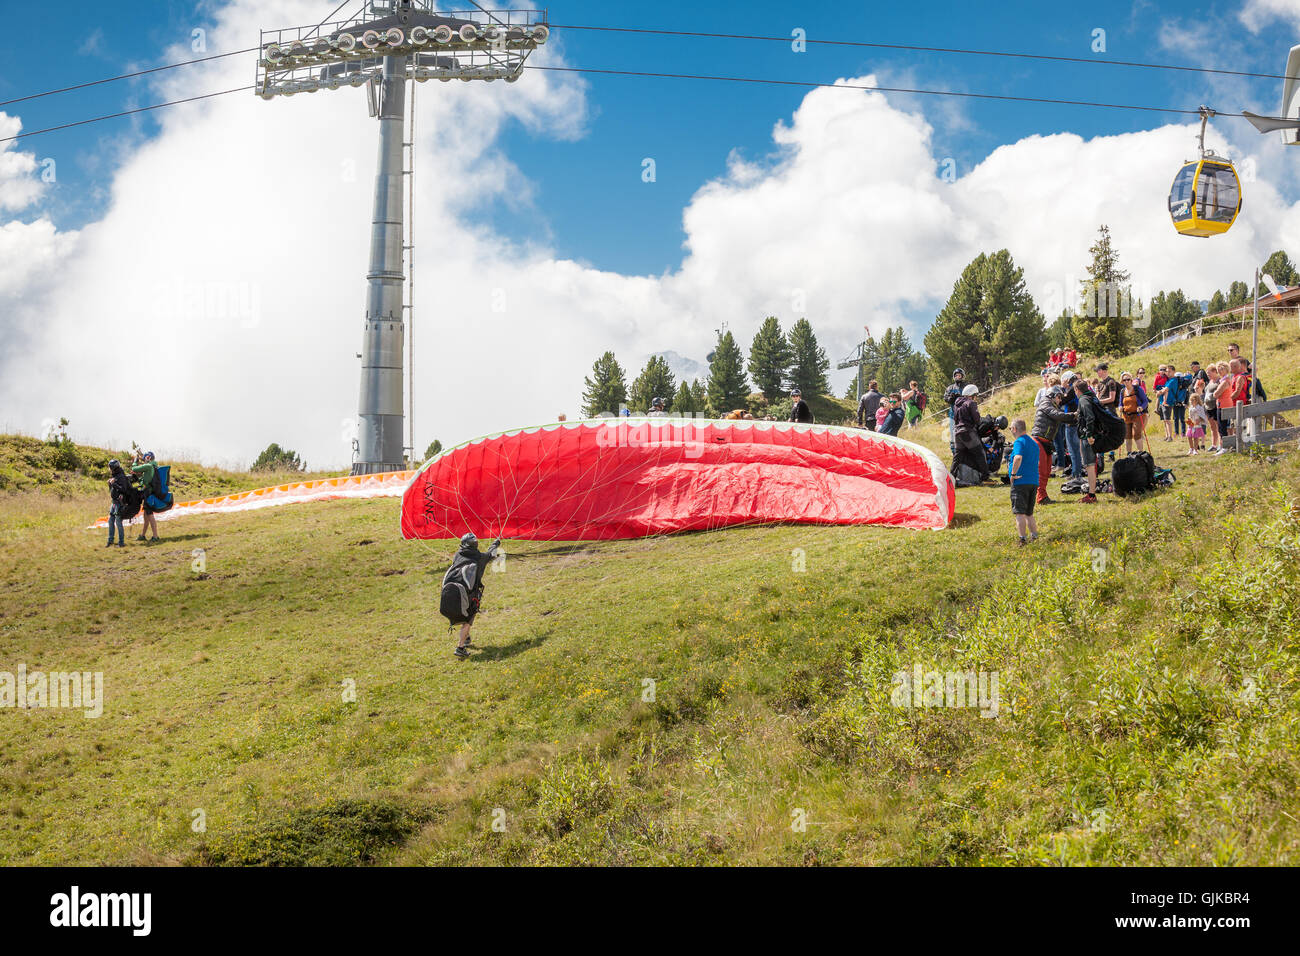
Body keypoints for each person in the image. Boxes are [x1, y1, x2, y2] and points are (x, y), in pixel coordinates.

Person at [442, 532, 502, 659]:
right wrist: (496, 543)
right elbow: (491, 554)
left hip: (450, 592)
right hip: (469, 594)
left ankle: (467, 638)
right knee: (468, 619)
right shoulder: (479, 558)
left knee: (462, 616)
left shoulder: (458, 555)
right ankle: (460, 647)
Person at [1030, 386, 1076, 505]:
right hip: (1038, 440)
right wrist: (1075, 415)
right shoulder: (1045, 403)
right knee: (1042, 471)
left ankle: (1043, 496)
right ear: (1052, 395)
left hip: (1046, 441)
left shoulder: (1054, 405)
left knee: (1046, 471)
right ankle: (1040, 497)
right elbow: (1058, 415)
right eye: (1059, 397)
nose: (1060, 400)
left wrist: (1075, 418)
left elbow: (1063, 417)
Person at [1007, 419, 1039, 546]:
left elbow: (1018, 457)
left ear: (1015, 429)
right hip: (1033, 481)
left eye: (1010, 428)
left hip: (1020, 481)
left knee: (1019, 513)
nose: (1010, 431)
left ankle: (1022, 539)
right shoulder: (1033, 443)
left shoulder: (1019, 442)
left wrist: (1013, 474)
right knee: (1029, 513)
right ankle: (1034, 536)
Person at [1071, 380, 1104, 504]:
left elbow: (1090, 417)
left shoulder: (1083, 400)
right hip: (1096, 434)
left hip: (1088, 437)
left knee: (1089, 466)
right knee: (1092, 465)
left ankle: (1091, 495)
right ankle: (1092, 492)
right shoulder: (1092, 397)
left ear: (1077, 390)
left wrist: (1089, 434)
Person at [951, 384, 987, 481]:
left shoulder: (956, 404)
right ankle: (985, 478)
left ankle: (951, 477)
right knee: (980, 453)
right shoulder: (971, 403)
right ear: (971, 395)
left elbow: (955, 419)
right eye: (975, 395)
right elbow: (977, 420)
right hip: (967, 432)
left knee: (957, 457)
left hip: (957, 432)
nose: (976, 397)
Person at [106, 459, 138, 548]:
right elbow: (113, 489)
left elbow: (123, 489)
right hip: (114, 502)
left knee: (118, 521)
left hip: (119, 503)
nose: (109, 468)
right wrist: (110, 484)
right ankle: (110, 540)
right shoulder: (116, 475)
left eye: (110, 467)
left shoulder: (120, 476)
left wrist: (113, 484)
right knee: (110, 521)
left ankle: (121, 542)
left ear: (113, 468)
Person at [130, 451, 161, 542]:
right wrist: (138, 478)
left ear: (148, 457)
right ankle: (143, 535)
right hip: (149, 492)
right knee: (146, 515)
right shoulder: (153, 466)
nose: (143, 461)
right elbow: (145, 480)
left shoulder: (149, 466)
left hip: (148, 493)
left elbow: (134, 468)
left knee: (150, 515)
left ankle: (155, 536)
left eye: (144, 459)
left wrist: (135, 461)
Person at [1118, 371, 1148, 454]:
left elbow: (1145, 401)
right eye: (1124, 380)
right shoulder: (1122, 391)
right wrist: (1120, 406)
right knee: (1127, 436)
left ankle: (1141, 453)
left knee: (1136, 434)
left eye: (1128, 379)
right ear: (1122, 382)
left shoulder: (1137, 389)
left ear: (1131, 380)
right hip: (1126, 416)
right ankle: (1129, 454)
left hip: (1138, 415)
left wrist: (1141, 407)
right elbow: (1120, 402)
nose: (1127, 381)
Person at [1160, 365, 1189, 439]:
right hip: (1175, 401)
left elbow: (1186, 393)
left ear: (1174, 371)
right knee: (1175, 418)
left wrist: (1186, 403)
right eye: (1167, 371)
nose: (1167, 373)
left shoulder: (1174, 380)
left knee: (1180, 418)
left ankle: (1182, 433)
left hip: (1174, 401)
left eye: (1169, 371)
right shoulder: (1169, 380)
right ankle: (1176, 433)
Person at [943, 369, 966, 453]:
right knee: (953, 434)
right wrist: (950, 398)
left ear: (962, 376)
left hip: (964, 414)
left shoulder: (966, 387)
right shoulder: (950, 388)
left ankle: (965, 450)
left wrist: (960, 396)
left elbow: (970, 397)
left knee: (965, 433)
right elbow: (945, 398)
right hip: (953, 414)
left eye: (959, 375)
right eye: (956, 375)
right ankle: (954, 451)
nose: (957, 377)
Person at [1202, 366, 1222, 452]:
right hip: (1207, 406)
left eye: (1209, 372)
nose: (1208, 374)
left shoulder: (1219, 381)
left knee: (1218, 426)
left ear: (1215, 371)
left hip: (1215, 405)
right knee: (1212, 426)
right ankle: (1213, 444)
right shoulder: (1210, 381)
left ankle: (1220, 444)